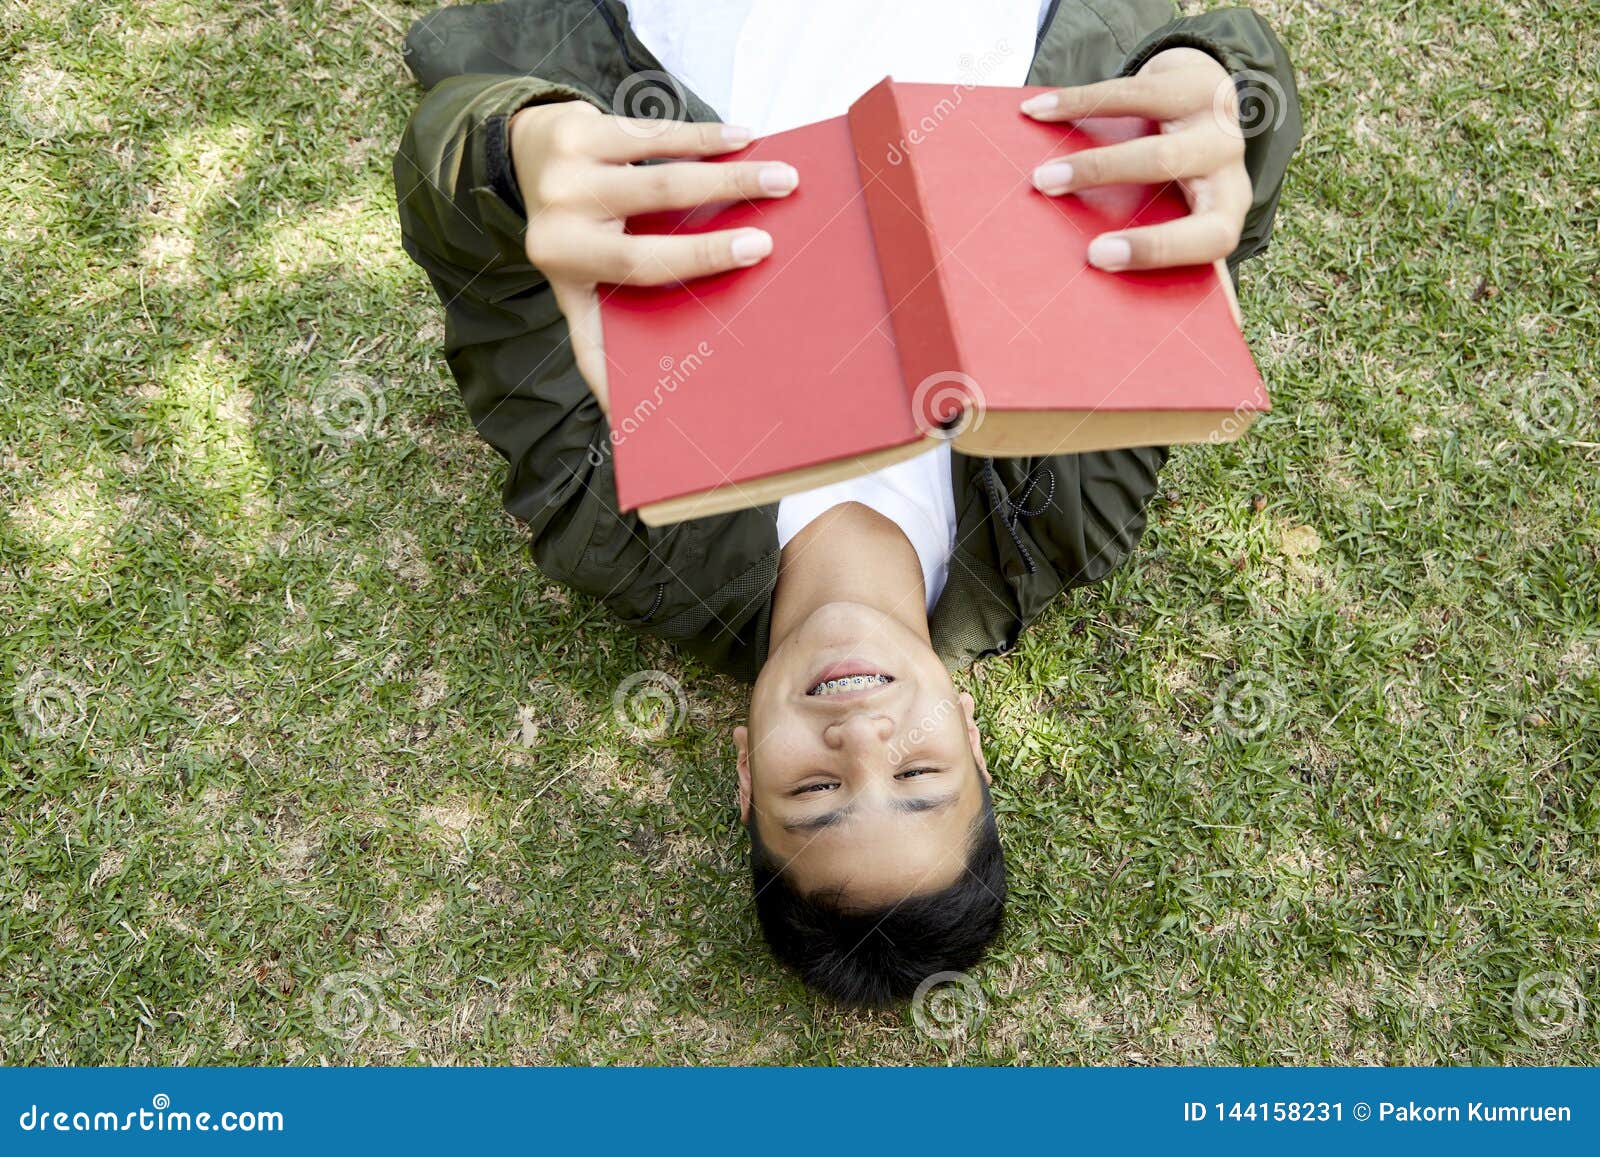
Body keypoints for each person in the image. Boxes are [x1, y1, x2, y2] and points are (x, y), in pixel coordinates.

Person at [393, 0, 1300, 1006]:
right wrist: (1215, 92)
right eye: (920, 778)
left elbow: (468, 242)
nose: (863, 737)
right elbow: (1200, 225)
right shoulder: (1069, 517)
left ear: (743, 773)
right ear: (973, 736)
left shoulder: (607, 526)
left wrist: (517, 152)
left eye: (813, 792)